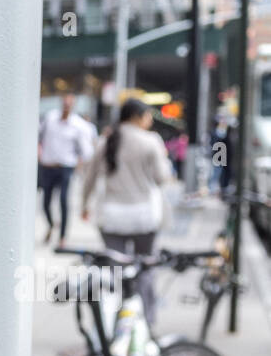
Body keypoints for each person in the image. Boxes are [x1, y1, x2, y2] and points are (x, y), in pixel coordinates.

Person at [80, 98, 174, 325]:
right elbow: (162, 178)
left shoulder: (107, 141)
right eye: (147, 115)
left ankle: (112, 325)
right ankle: (146, 324)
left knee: (114, 275)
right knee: (145, 273)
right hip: (143, 217)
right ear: (136, 116)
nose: (150, 120)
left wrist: (84, 205)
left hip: (112, 218)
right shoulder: (151, 141)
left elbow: (89, 178)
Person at [38, 93, 96, 246]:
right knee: (45, 202)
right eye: (65, 102)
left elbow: (87, 151)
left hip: (65, 167)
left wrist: (78, 162)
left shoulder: (78, 125)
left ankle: (62, 237)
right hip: (48, 166)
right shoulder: (50, 118)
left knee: (64, 201)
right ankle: (51, 225)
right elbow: (39, 136)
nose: (67, 105)